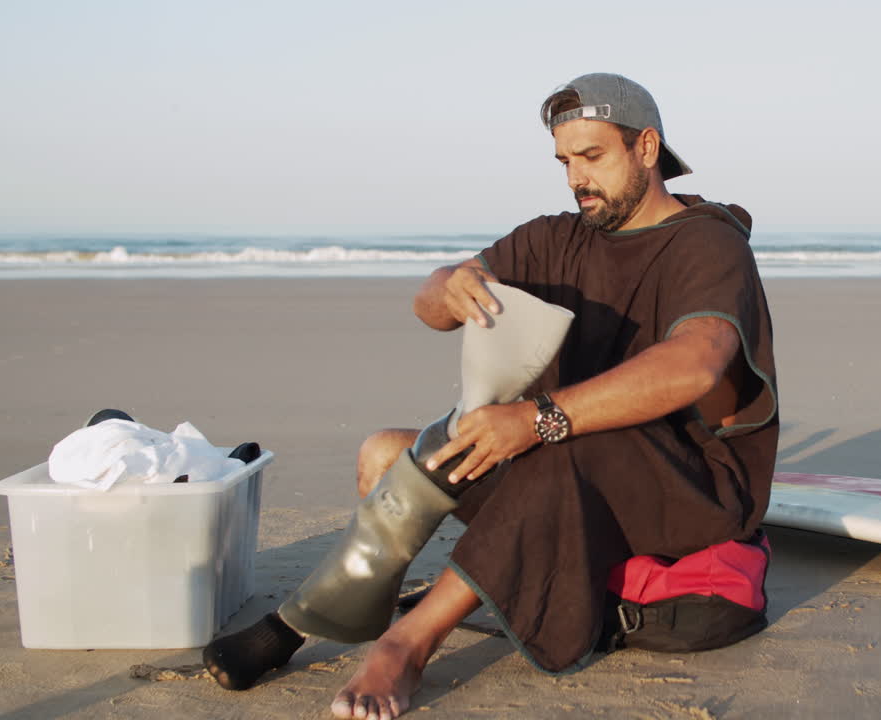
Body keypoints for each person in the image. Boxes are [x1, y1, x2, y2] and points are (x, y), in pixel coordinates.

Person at [202, 72, 779, 720]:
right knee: (388, 453)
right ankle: (325, 611)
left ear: (646, 149)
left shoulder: (708, 242)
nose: (576, 179)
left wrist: (540, 419)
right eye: (564, 162)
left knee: (559, 447)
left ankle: (406, 646)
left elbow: (695, 365)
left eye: (593, 157)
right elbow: (433, 305)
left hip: (693, 488)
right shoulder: (554, 238)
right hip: (572, 465)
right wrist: (448, 284)